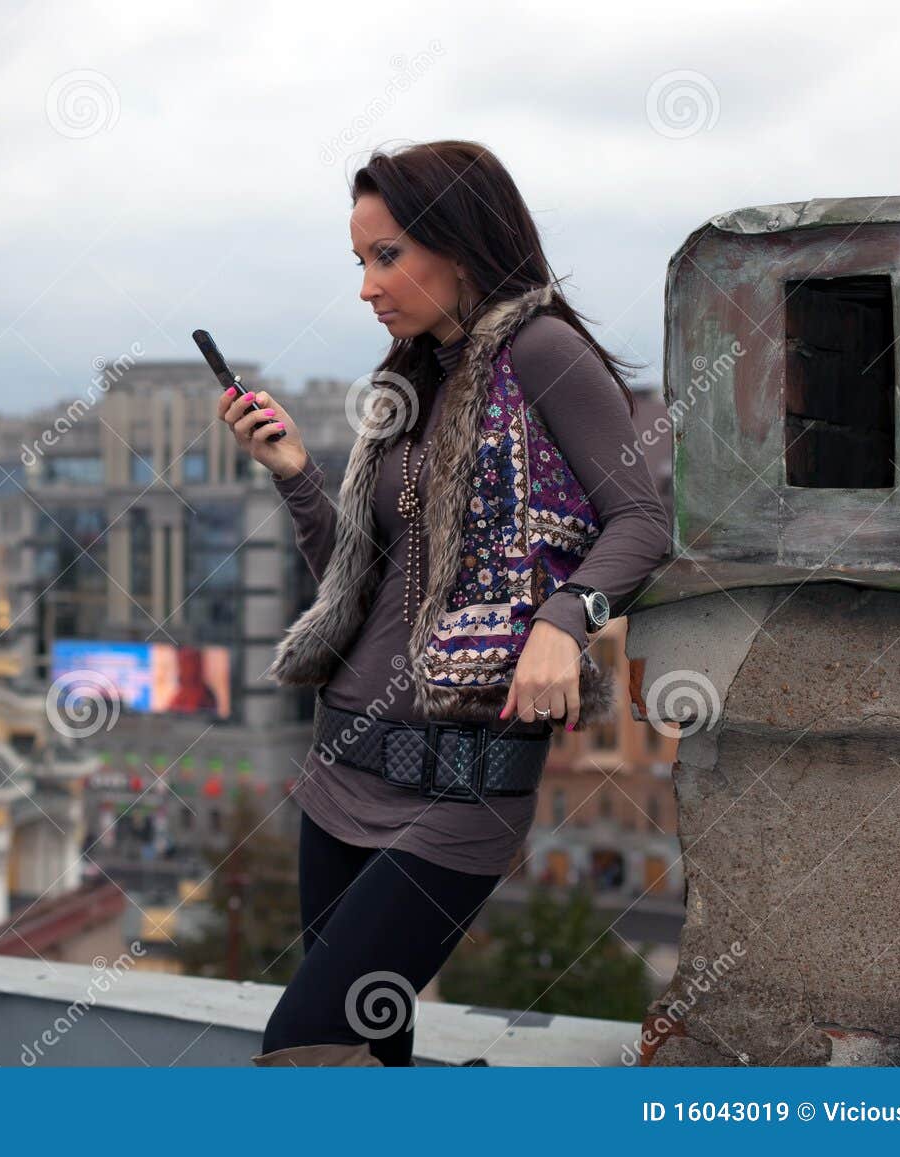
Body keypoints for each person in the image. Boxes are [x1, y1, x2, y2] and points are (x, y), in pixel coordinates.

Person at [216, 140, 672, 1066]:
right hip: (341, 764)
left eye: (387, 256)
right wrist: (297, 474)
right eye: (360, 261)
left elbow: (642, 519)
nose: (367, 286)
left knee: (303, 1046)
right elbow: (362, 581)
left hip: (461, 782)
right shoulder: (408, 382)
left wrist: (564, 618)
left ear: (459, 248)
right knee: (367, 1056)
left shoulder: (544, 351)